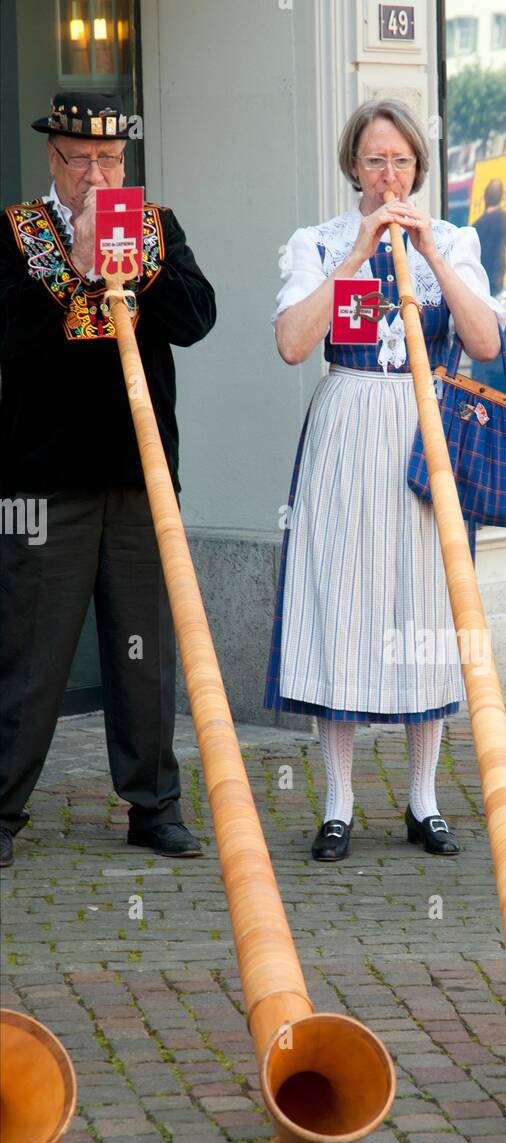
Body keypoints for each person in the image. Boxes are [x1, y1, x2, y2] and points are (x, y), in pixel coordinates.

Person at [265, 98, 505, 862]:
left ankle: (423, 797)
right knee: (341, 601)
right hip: (346, 432)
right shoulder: (318, 242)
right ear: (352, 166)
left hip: (425, 435)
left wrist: (432, 255)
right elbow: (293, 346)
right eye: (374, 160)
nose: (388, 174)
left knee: (425, 603)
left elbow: (487, 342)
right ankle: (337, 802)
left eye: (401, 160)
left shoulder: (457, 240)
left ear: (419, 169)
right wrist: (356, 255)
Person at [0, 92, 217, 869]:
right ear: (52, 159)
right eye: (82, 159)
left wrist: (137, 269)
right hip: (38, 479)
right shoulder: (14, 233)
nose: (98, 174)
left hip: (139, 475)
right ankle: (2, 808)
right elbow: (10, 334)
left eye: (112, 160)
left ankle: (153, 806)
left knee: (143, 650)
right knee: (30, 649)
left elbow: (197, 320)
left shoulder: (157, 227)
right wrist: (79, 269)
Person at [473, 179, 506, 294]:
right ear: (501, 197)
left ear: (485, 197)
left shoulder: (476, 225)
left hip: (479, 279)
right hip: (497, 278)